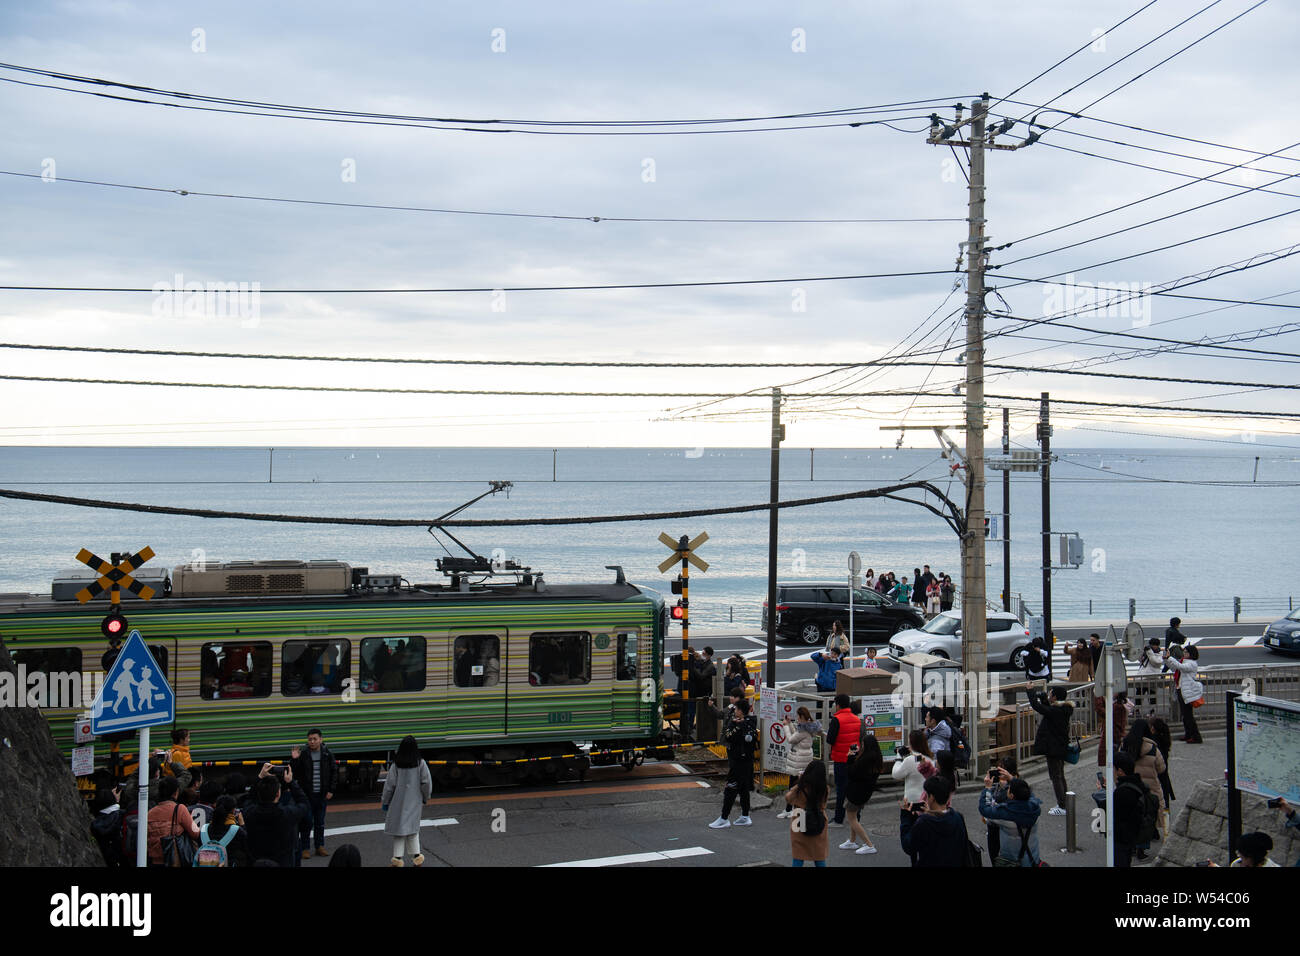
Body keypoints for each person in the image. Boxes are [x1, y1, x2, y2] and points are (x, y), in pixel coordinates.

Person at [243, 762, 309, 868]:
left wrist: (260, 777)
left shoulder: (250, 813)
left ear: (259, 793)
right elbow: (304, 803)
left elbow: (249, 799)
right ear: (278, 794)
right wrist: (291, 782)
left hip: (256, 862)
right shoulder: (287, 814)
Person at [382, 735, 433, 867]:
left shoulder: (396, 764)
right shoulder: (420, 763)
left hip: (398, 802)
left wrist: (385, 801)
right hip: (415, 802)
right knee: (413, 830)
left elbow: (389, 785)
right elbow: (426, 782)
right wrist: (425, 797)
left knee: (399, 832)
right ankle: (417, 859)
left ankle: (397, 860)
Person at [900, 775, 970, 867]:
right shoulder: (958, 817)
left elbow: (908, 846)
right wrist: (929, 812)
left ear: (931, 797)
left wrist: (905, 817)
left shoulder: (924, 823)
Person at [1122, 718, 1167, 860]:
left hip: (1130, 788)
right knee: (1146, 819)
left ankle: (1132, 847)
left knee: (1131, 818)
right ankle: (1141, 850)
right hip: (1150, 789)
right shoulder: (1153, 748)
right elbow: (1162, 768)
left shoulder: (1125, 745)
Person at [709, 697, 757, 828]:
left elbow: (729, 736)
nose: (734, 710)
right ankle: (745, 816)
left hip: (740, 761)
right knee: (743, 789)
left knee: (731, 788)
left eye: (736, 709)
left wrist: (738, 726)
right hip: (744, 761)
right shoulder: (747, 722)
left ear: (741, 711)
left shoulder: (746, 723)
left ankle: (724, 818)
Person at [290, 728, 338, 858]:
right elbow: (293, 772)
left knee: (320, 822)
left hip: (322, 794)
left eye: (315, 739)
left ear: (321, 739)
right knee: (306, 822)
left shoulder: (327, 754)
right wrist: (294, 759)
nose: (312, 741)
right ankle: (305, 848)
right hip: (306, 795)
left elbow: (334, 772)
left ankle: (319, 846)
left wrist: (331, 790)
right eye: (310, 739)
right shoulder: (304, 754)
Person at [1027, 684, 1072, 815]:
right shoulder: (1063, 709)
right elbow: (1047, 708)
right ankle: (1065, 802)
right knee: (1060, 775)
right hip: (1059, 747)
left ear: (1055, 697)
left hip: (1053, 748)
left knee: (1056, 777)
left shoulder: (1056, 711)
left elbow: (1039, 708)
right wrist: (1044, 699)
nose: (1049, 695)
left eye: (1050, 694)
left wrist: (1030, 691)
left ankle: (1062, 805)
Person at [892, 730, 935, 863]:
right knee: (924, 836)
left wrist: (899, 758)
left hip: (910, 804)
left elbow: (896, 774)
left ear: (912, 743)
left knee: (910, 837)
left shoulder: (910, 760)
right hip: (925, 804)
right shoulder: (929, 759)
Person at [979, 775, 1043, 866]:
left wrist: (988, 788)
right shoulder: (1034, 808)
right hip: (1032, 860)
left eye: (1008, 789)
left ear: (1011, 795)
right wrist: (1012, 778)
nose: (1007, 790)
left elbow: (984, 809)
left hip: (1011, 862)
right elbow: (1030, 794)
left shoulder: (1006, 814)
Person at [777, 706, 822, 819]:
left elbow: (791, 739)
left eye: (798, 716)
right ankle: (791, 809)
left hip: (799, 760)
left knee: (795, 786)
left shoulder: (804, 730)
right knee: (797, 785)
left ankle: (792, 810)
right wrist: (790, 724)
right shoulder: (808, 727)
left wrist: (786, 726)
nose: (796, 718)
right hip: (803, 759)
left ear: (802, 717)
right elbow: (796, 734)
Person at [840, 736, 882, 854]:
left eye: (863, 745)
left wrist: (850, 758)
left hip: (856, 792)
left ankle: (869, 844)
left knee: (852, 818)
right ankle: (852, 841)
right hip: (864, 792)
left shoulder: (865, 759)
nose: (861, 747)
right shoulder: (876, 758)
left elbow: (851, 773)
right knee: (854, 816)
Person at [145, 776, 200, 866]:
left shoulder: (150, 813)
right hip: (175, 860)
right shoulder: (180, 809)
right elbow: (195, 833)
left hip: (154, 861)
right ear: (176, 792)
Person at [825, 693, 862, 827]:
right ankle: (856, 817)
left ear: (838, 704)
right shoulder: (856, 719)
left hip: (840, 759)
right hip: (853, 759)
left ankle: (838, 818)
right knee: (852, 789)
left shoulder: (837, 719)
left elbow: (830, 739)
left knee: (841, 789)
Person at [784, 759, 829, 867]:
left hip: (799, 818)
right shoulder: (825, 788)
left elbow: (788, 798)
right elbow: (824, 805)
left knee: (799, 853)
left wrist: (800, 781)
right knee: (819, 853)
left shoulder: (800, 788)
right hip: (818, 817)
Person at [1112, 751, 1150, 867]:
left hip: (1122, 837)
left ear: (1120, 771)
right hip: (1132, 836)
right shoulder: (1138, 785)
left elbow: (1112, 813)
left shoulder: (1123, 792)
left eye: (1114, 769)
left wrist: (1102, 793)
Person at [1164, 644, 1204, 743]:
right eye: (1184, 651)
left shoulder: (1191, 663)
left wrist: (1170, 658)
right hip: (1182, 690)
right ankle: (1188, 734)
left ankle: (1196, 737)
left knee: (1188, 716)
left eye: (1186, 652)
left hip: (1187, 691)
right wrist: (1167, 659)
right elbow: (1175, 667)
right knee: (1185, 715)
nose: (1184, 653)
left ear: (1191, 654)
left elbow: (1180, 667)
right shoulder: (1184, 661)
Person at [198, 795, 250, 867]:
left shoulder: (204, 829)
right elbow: (247, 848)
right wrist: (242, 824)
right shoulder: (237, 831)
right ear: (233, 810)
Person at [1148, 716, 1176, 814]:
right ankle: (1166, 808)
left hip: (1156, 768)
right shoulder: (1165, 737)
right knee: (1164, 787)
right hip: (1164, 768)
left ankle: (1161, 808)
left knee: (1158, 788)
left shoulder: (1153, 741)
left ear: (1152, 728)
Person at [671, 645, 699, 740]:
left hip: (687, 689)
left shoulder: (691, 663)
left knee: (687, 709)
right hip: (689, 690)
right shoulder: (692, 662)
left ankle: (687, 726)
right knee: (689, 709)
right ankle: (687, 726)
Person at [1094, 691, 1129, 767]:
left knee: (1112, 763)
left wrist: (1098, 695)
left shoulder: (1117, 707)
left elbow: (1102, 711)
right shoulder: (1120, 705)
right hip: (1116, 736)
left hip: (1113, 737)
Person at [692, 646, 717, 711]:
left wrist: (693, 667)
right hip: (699, 691)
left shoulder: (710, 666)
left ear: (708, 655)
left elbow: (701, 675)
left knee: (701, 710)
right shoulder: (702, 662)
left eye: (703, 654)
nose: (701, 655)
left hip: (704, 693)